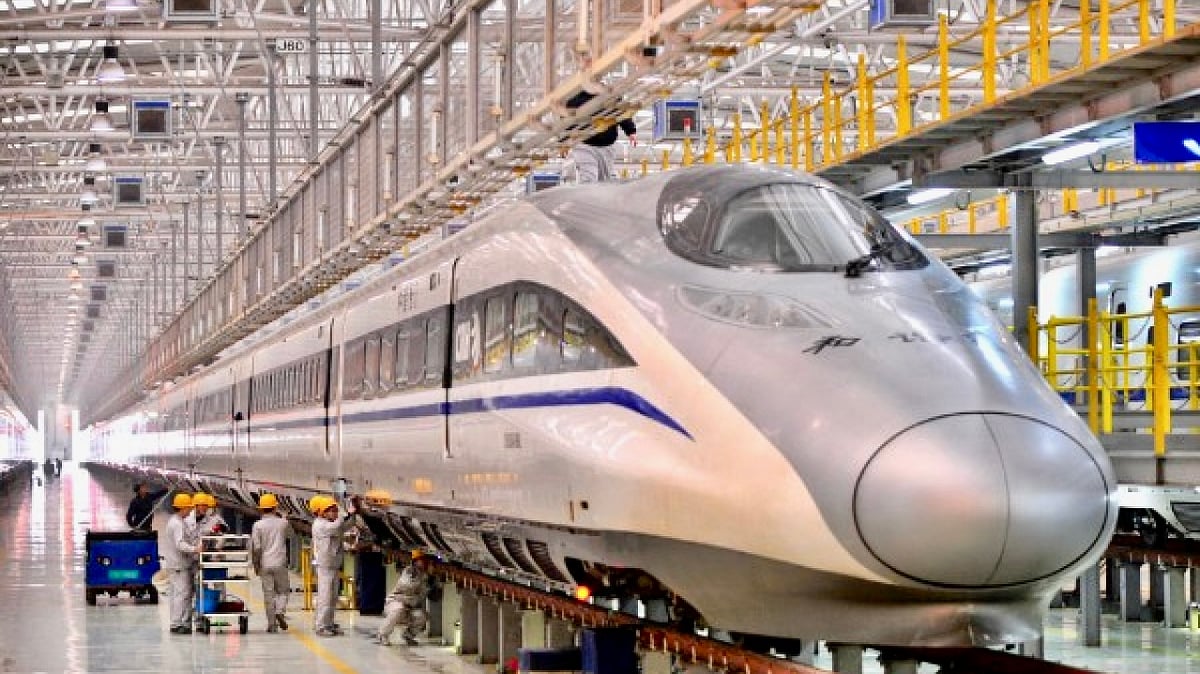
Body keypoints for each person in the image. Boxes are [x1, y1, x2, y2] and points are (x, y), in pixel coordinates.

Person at [310, 494, 359, 637]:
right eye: (331, 510)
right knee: (325, 597)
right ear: (322, 513)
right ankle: (321, 626)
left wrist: (354, 514)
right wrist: (347, 512)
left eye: (335, 510)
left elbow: (346, 525)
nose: (335, 513)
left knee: (332, 597)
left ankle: (329, 624)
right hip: (325, 567)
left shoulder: (331, 524)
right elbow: (338, 525)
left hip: (333, 566)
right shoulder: (321, 525)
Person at [565, 87, 637, 183]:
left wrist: (631, 131)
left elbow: (621, 113)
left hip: (607, 146)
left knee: (605, 181)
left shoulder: (611, 94)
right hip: (584, 145)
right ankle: (587, 196)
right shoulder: (573, 98)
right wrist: (565, 141)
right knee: (588, 178)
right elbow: (565, 121)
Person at [249, 493, 294, 633]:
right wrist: (284, 519)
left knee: (268, 595)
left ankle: (271, 625)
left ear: (261, 509)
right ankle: (280, 611)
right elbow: (291, 535)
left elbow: (256, 548)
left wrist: (256, 565)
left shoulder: (257, 525)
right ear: (275, 508)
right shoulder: (283, 523)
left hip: (264, 563)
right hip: (280, 562)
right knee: (283, 591)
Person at [373, 550, 429, 646]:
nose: (423, 563)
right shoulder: (408, 571)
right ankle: (382, 635)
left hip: (409, 607)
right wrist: (418, 582)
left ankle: (408, 635)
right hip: (395, 602)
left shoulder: (424, 576)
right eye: (420, 560)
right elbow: (405, 586)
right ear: (415, 561)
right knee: (398, 609)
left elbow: (421, 595)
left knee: (421, 616)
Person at [162, 493, 199, 634]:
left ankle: (178, 621)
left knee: (177, 594)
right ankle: (177, 623)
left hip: (177, 564)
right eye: (189, 508)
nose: (190, 511)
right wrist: (195, 549)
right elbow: (180, 544)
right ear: (182, 508)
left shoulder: (177, 521)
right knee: (181, 594)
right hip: (178, 565)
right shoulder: (177, 524)